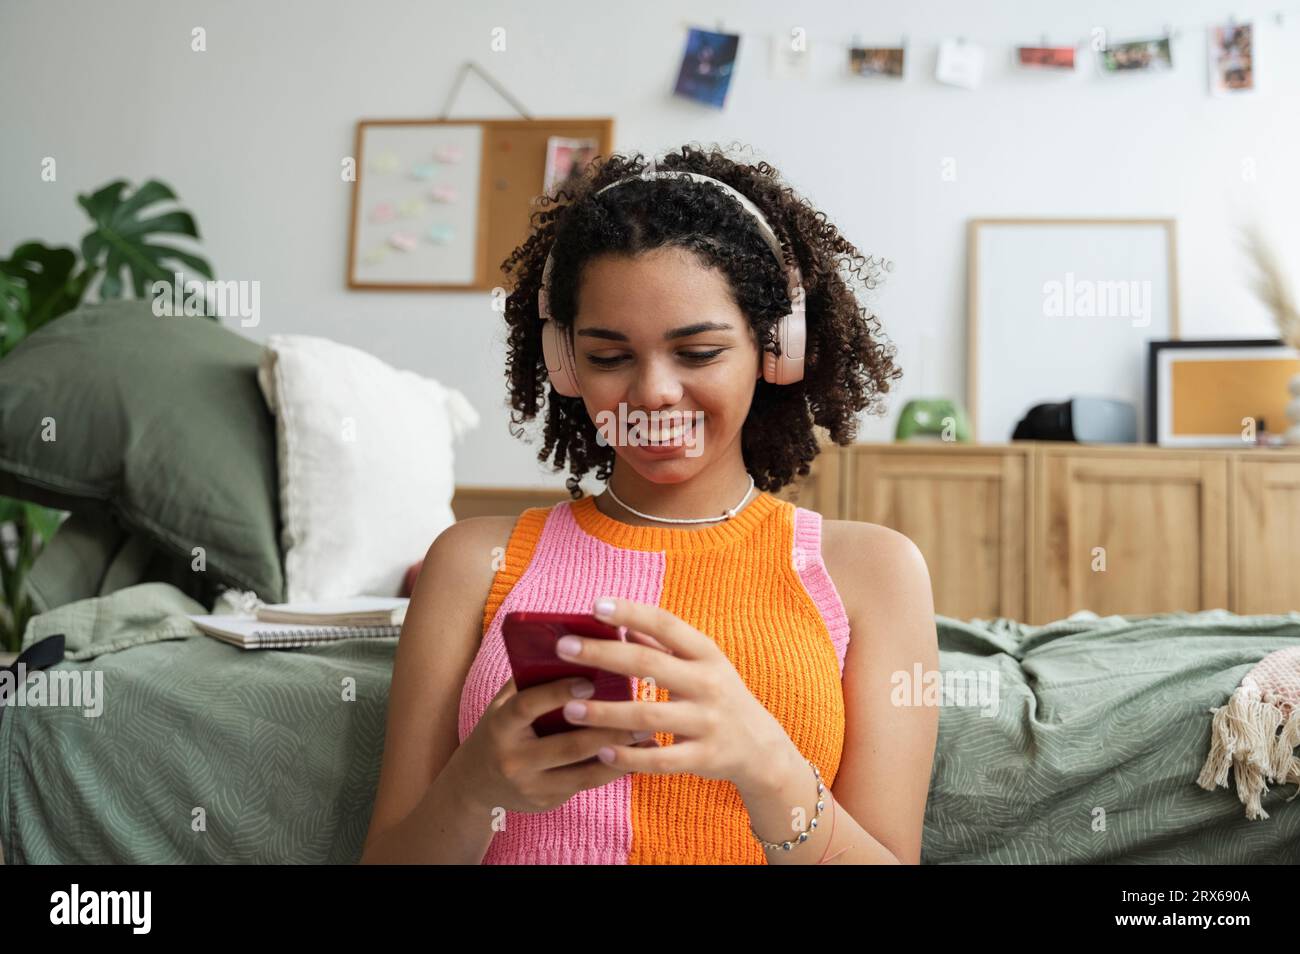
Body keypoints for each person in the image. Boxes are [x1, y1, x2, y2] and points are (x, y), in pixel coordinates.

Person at [360, 143, 939, 864]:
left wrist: (770, 768)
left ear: (774, 348)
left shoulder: (873, 571)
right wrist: (474, 789)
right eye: (609, 356)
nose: (654, 392)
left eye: (697, 353)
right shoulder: (471, 561)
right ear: (565, 363)